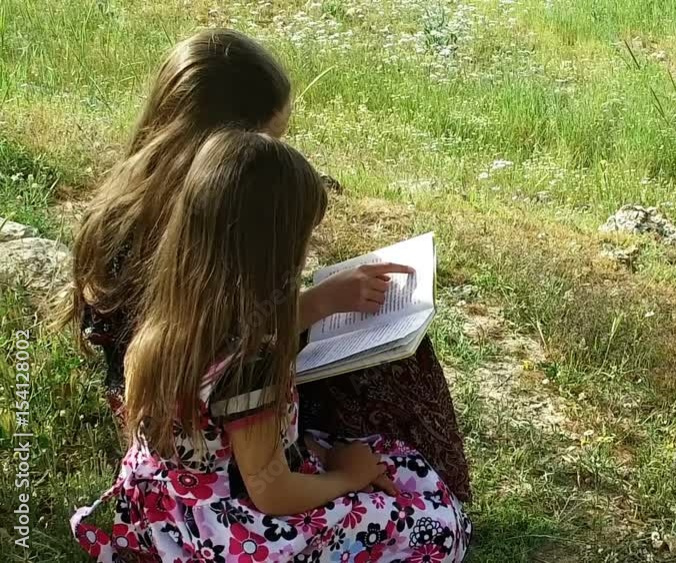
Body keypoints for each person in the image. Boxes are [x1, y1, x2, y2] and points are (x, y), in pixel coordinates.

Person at [63, 28, 470, 501]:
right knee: (390, 377)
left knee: (389, 343)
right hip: (222, 448)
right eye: (265, 140)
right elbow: (223, 360)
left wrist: (319, 303)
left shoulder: (201, 225)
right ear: (218, 142)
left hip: (189, 449)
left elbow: (210, 339)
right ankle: (415, 492)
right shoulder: (146, 241)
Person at [71, 129, 470, 562]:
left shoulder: (167, 318)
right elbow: (272, 492)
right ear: (272, 255)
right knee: (434, 523)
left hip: (169, 510)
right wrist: (345, 479)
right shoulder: (249, 366)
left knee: (390, 466)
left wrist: (321, 303)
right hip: (235, 532)